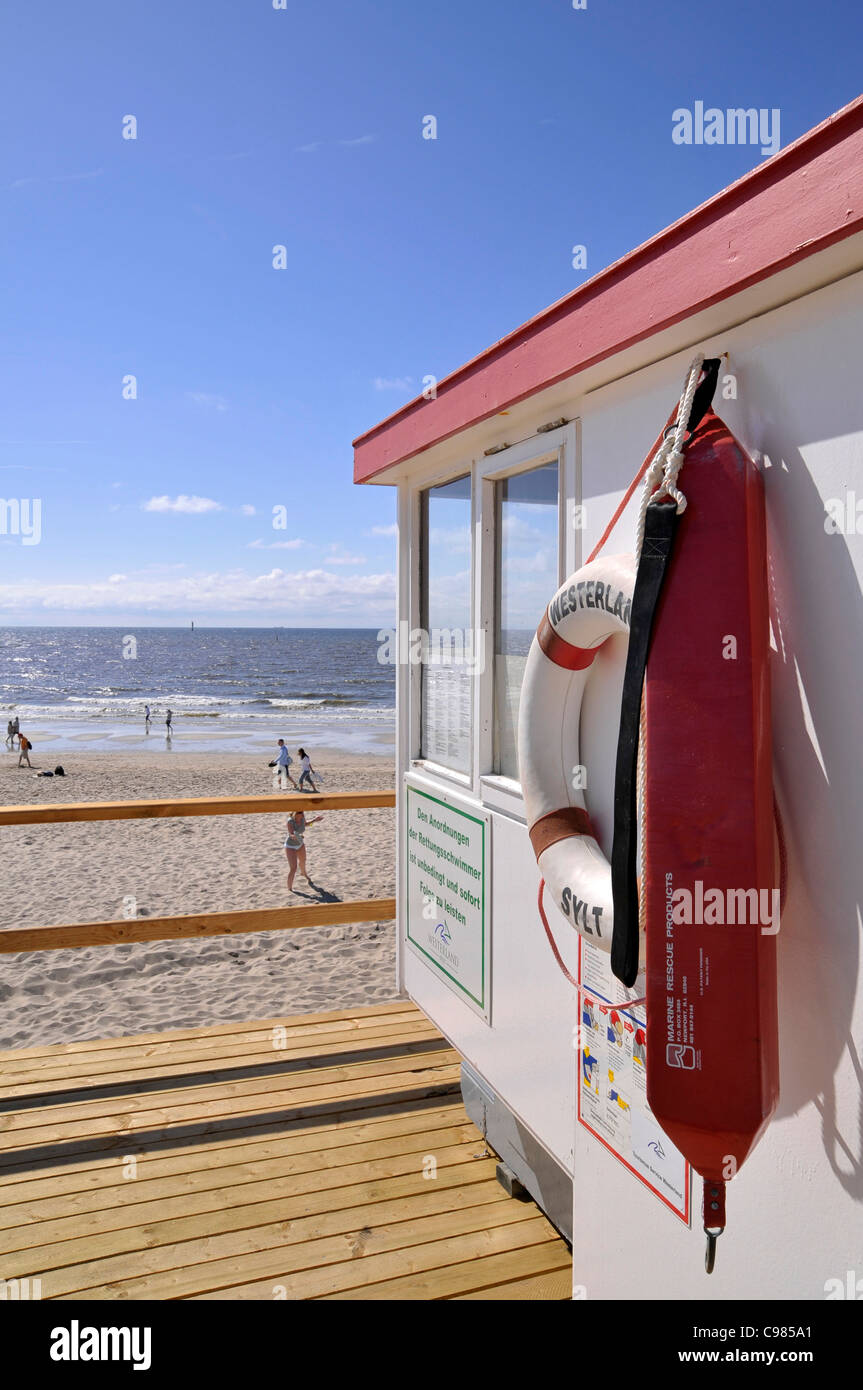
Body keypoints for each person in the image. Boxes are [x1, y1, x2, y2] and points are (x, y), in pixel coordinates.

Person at [283, 808, 324, 891]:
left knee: (303, 861)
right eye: (300, 813)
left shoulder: (302, 818)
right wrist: (293, 836)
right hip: (290, 846)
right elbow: (290, 833)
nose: (302, 814)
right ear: (295, 814)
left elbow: (305, 824)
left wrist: (315, 820)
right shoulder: (290, 821)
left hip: (300, 844)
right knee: (293, 868)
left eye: (303, 812)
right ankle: (289, 888)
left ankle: (304, 874)